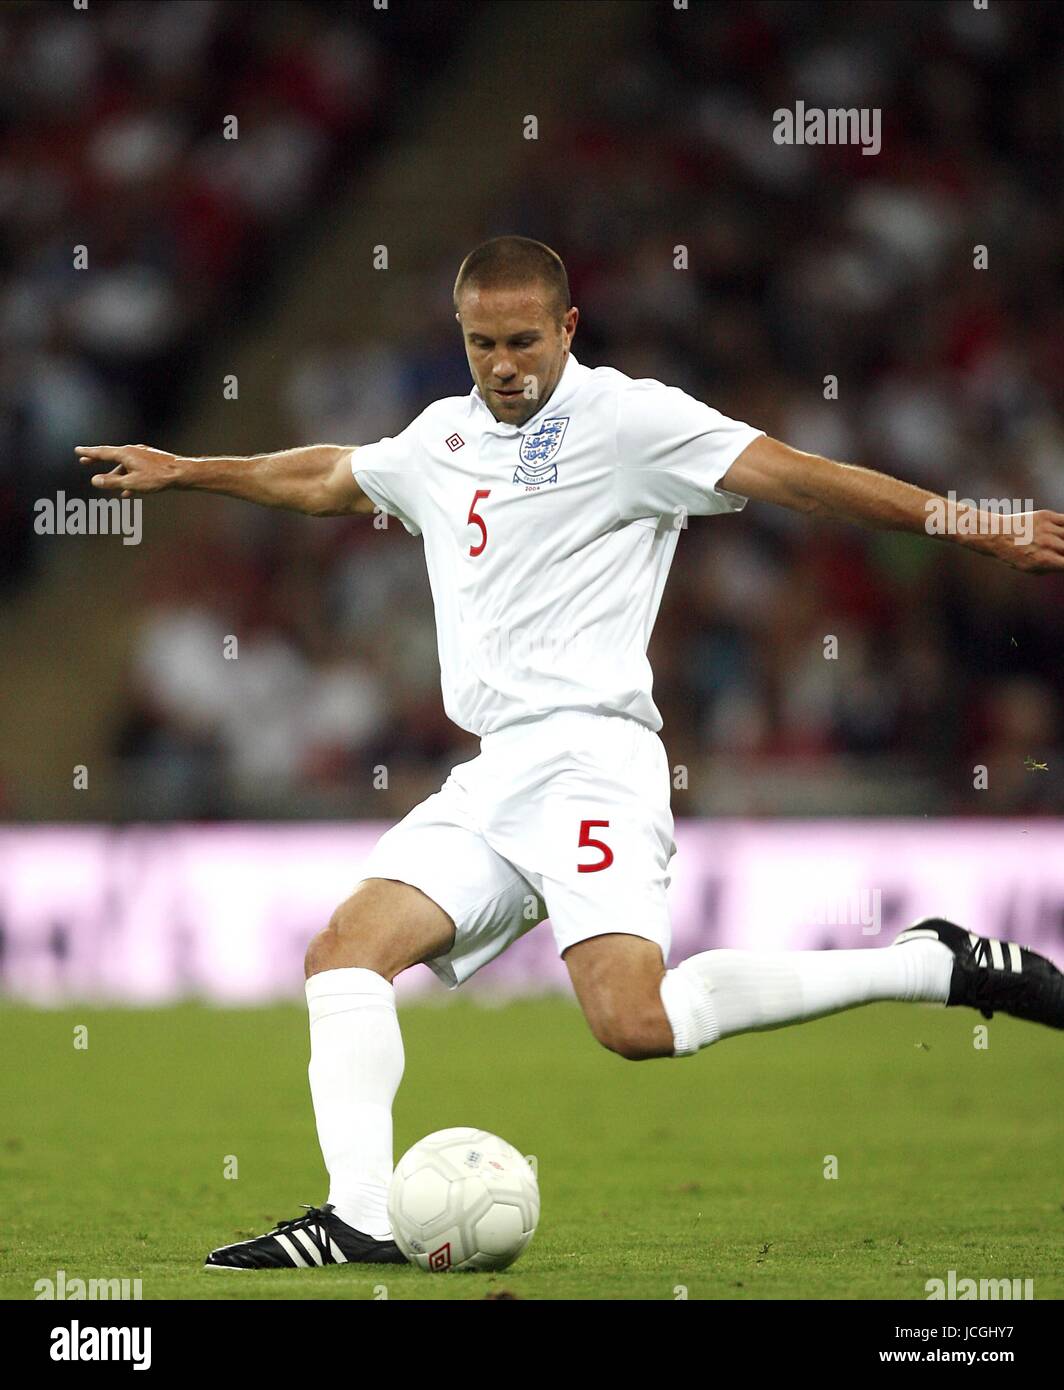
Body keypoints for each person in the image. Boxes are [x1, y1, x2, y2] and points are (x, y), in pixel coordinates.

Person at [76, 236, 1064, 1272]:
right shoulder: (439, 438)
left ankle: (927, 965)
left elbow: (795, 477)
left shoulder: (628, 421)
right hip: (498, 771)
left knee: (633, 1020)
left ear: (565, 329)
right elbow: (328, 474)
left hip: (595, 758)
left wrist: (969, 520)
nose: (501, 366)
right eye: (478, 344)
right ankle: (359, 1216)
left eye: (519, 342)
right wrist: (192, 472)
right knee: (343, 955)